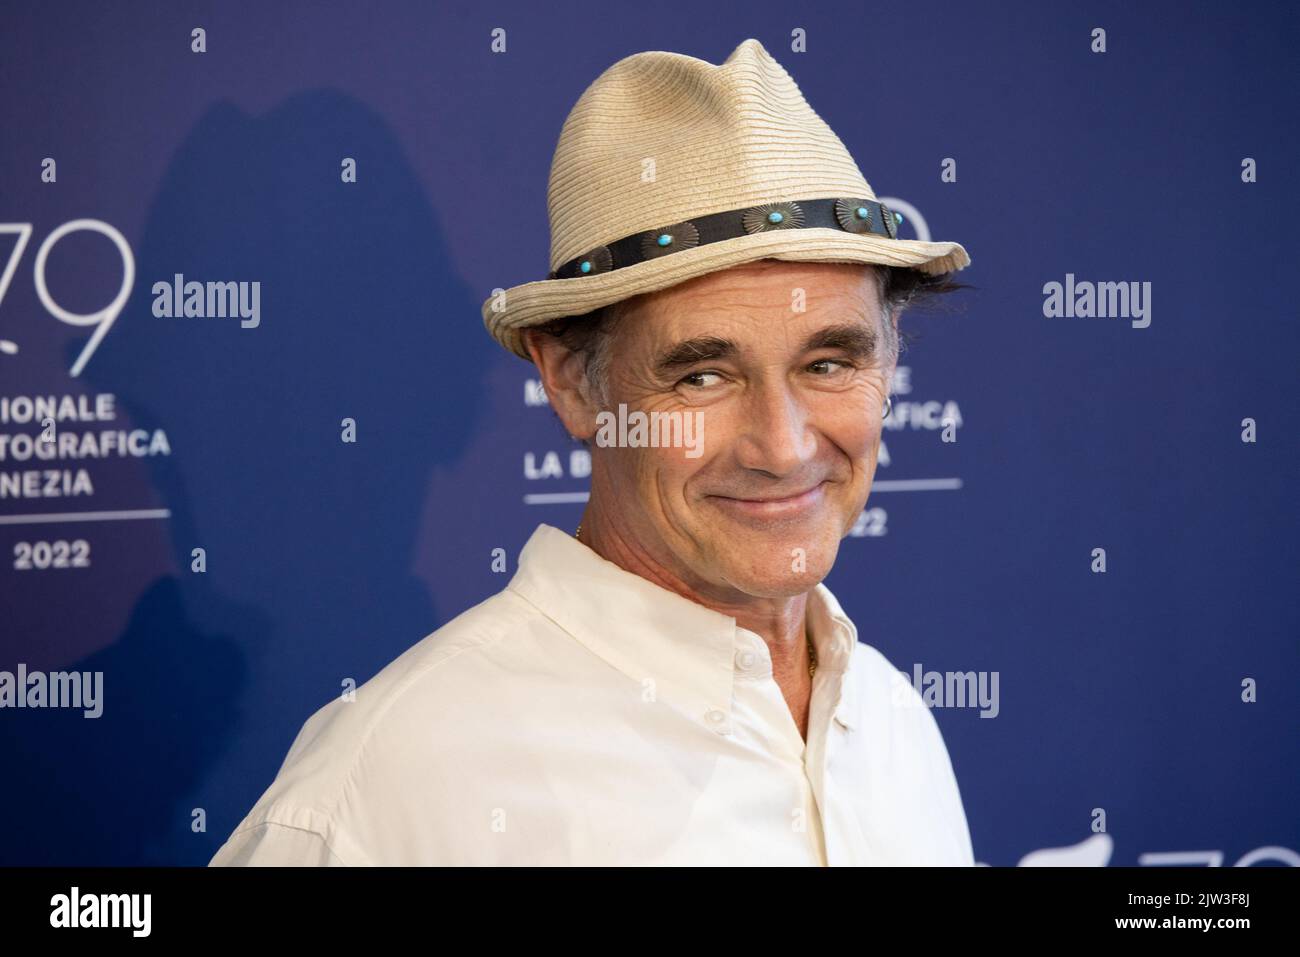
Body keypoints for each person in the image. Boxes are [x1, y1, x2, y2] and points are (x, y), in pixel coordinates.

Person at [210, 36, 975, 866]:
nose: (784, 447)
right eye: (703, 376)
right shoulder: (381, 794)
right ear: (572, 381)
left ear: (890, 355)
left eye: (828, 363)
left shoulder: (895, 722)